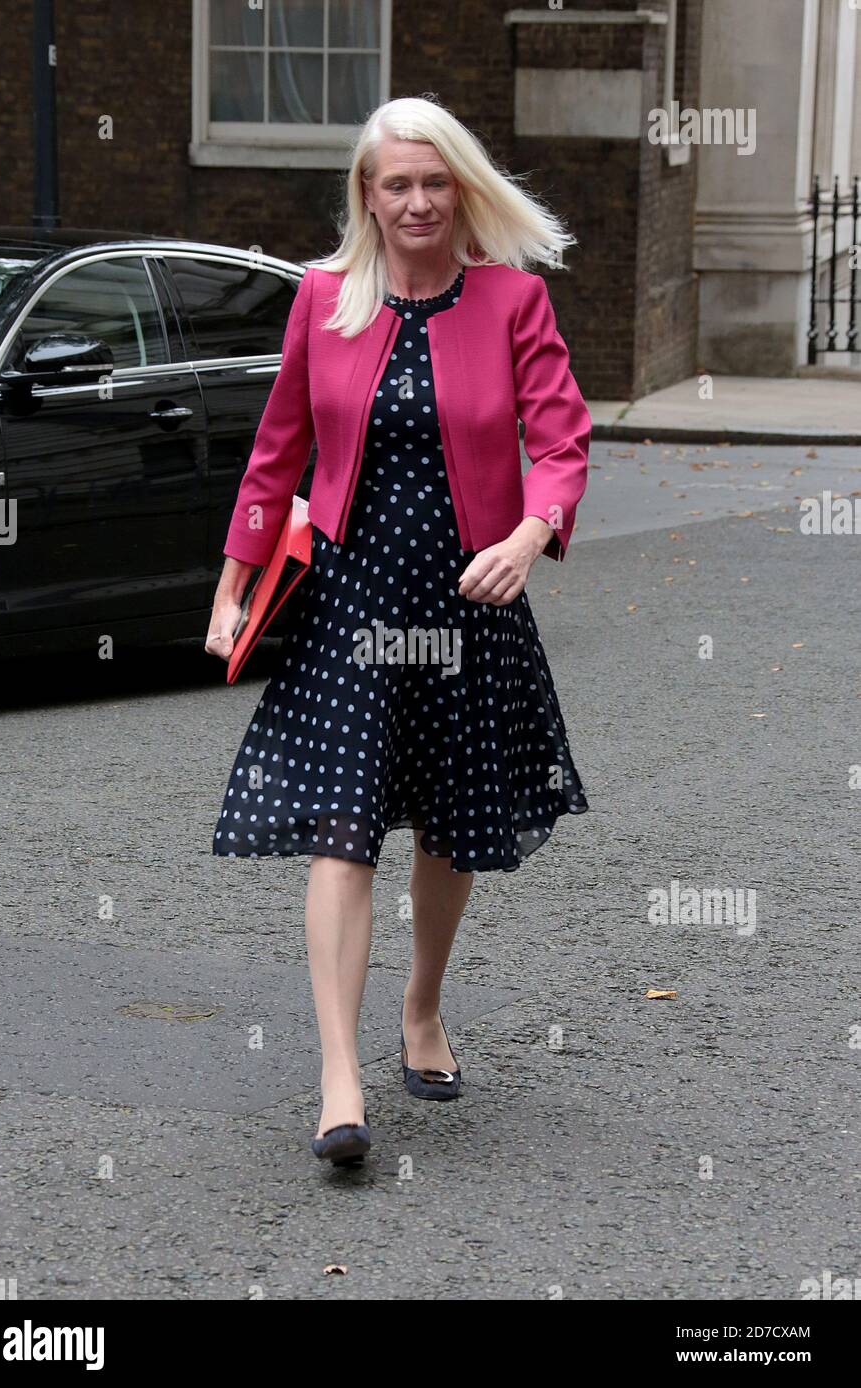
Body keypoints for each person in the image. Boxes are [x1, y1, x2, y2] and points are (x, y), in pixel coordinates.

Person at [206, 95, 591, 1165]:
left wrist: (528, 534)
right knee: (341, 830)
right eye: (396, 184)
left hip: (467, 604)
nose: (416, 201)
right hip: (349, 604)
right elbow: (275, 448)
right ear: (366, 197)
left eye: (433, 182)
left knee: (447, 826)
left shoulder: (512, 301)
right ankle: (339, 1077)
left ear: (456, 189)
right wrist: (233, 581)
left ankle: (420, 1006)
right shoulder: (323, 300)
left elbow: (560, 442)